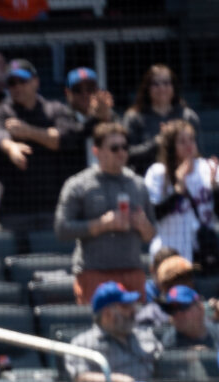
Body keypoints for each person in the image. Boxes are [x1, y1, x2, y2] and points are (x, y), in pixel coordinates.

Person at [55, 124, 155, 305]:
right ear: (96, 151)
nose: (121, 152)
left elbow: (151, 234)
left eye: (125, 147)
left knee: (136, 329)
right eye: (114, 148)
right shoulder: (78, 184)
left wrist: (144, 226)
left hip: (132, 272)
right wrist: (102, 224)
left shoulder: (139, 185)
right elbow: (62, 229)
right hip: (94, 273)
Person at [0, 60, 72, 236]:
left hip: (52, 206)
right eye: (11, 83)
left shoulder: (54, 110)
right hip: (14, 211)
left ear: (36, 82)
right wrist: (12, 148)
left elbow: (62, 139)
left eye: (22, 81)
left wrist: (28, 132)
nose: (17, 87)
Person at [143, 122, 216, 265]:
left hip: (204, 252)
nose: (189, 144)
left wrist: (215, 188)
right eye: (182, 141)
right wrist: (178, 189)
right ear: (171, 146)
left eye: (191, 139)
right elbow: (154, 214)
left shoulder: (209, 168)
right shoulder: (158, 173)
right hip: (170, 252)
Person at [66, 282, 162, 382]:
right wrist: (116, 380)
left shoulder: (145, 335)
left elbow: (165, 361)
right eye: (126, 306)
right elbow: (80, 377)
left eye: (132, 305)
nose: (133, 310)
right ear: (107, 314)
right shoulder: (82, 343)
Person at [124, 64, 201, 176]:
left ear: (174, 86)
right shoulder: (133, 117)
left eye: (166, 83)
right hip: (145, 181)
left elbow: (197, 153)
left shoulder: (188, 116)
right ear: (147, 88)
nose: (162, 88)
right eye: (155, 84)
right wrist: (156, 142)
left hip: (185, 179)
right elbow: (126, 154)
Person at [59, 67, 117, 172]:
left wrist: (107, 118)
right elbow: (70, 138)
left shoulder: (109, 115)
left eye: (90, 89)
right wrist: (96, 119)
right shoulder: (62, 114)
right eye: (78, 90)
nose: (85, 94)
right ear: (67, 93)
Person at [156, 285, 219, 351]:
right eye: (171, 309)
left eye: (182, 307)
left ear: (200, 308)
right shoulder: (170, 340)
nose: (177, 314)